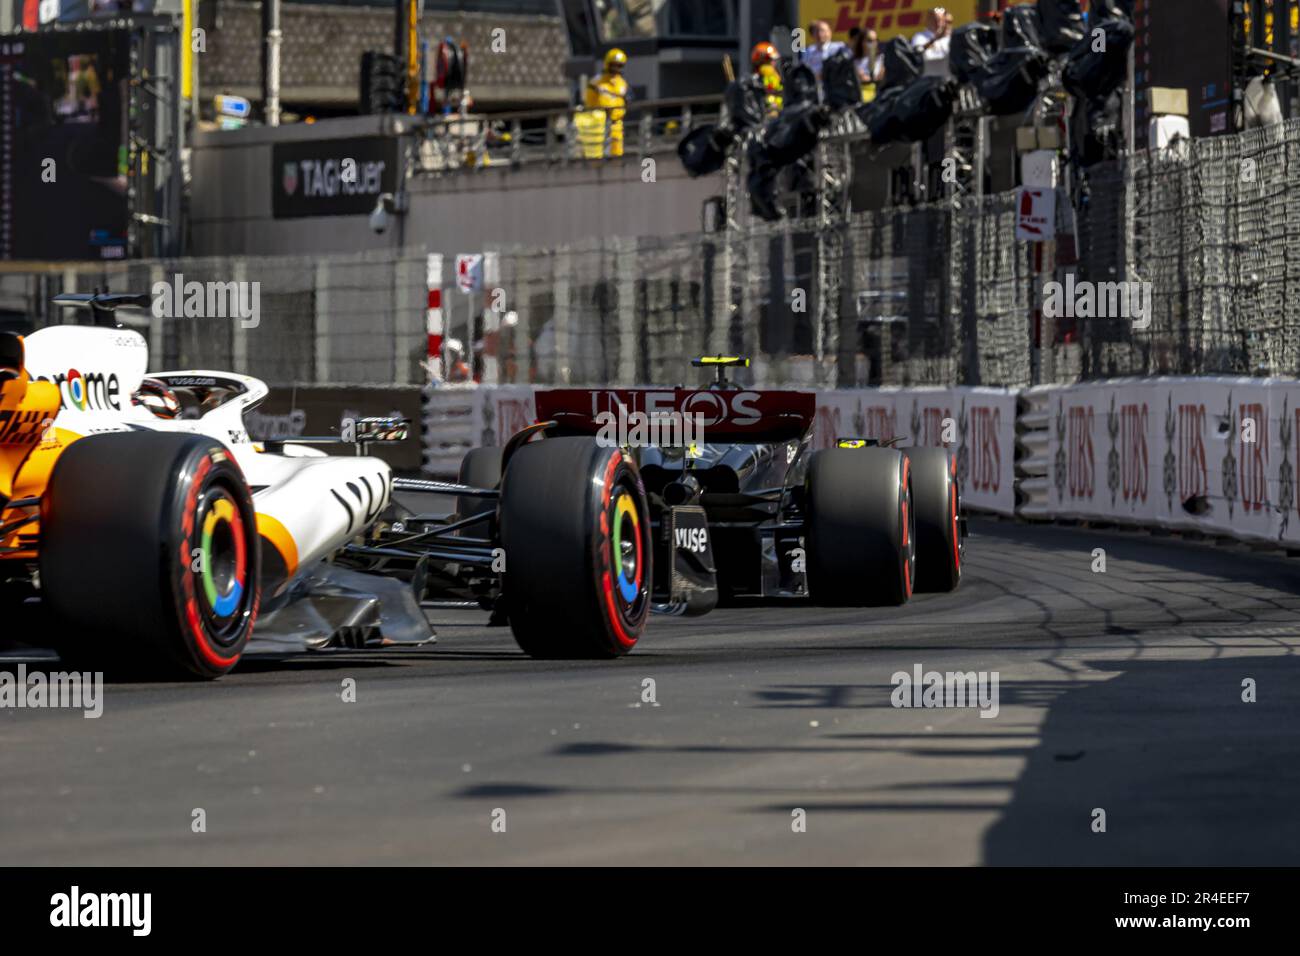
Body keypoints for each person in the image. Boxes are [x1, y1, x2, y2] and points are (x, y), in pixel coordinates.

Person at [584, 48, 629, 158]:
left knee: (617, 156)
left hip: (617, 125)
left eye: (619, 66)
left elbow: (627, 100)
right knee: (598, 157)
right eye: (614, 65)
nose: (616, 69)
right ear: (607, 64)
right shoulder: (597, 82)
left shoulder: (622, 83)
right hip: (600, 124)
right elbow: (588, 102)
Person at [911, 6, 952, 77]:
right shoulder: (920, 37)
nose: (938, 23)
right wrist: (935, 39)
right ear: (928, 21)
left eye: (941, 20)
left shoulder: (948, 38)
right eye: (935, 20)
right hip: (928, 79)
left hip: (947, 77)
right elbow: (917, 52)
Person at [751, 41, 783, 116]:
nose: (774, 62)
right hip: (772, 111)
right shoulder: (768, 71)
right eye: (772, 59)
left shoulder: (755, 76)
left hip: (765, 111)